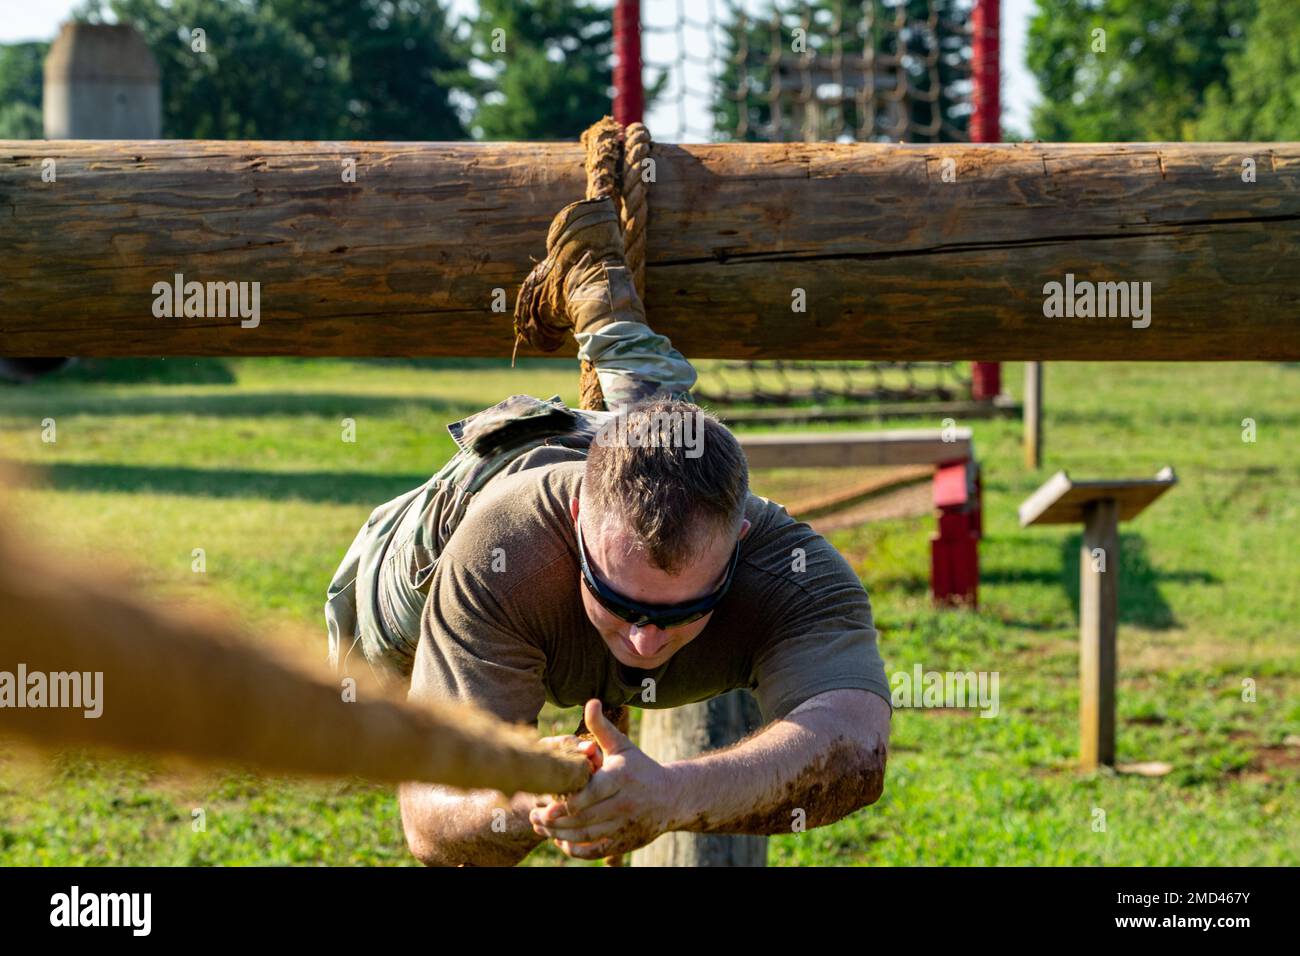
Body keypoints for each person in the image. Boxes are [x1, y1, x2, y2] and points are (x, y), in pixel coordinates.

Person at [325, 196, 892, 865]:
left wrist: (673, 794)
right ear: (575, 531)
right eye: (619, 602)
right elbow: (430, 823)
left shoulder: (791, 567)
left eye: (683, 609)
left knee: (662, 425)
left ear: (737, 543)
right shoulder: (502, 552)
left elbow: (856, 749)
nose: (645, 638)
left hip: (609, 456)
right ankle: (601, 311)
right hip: (432, 539)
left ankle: (604, 304)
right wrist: (524, 804)